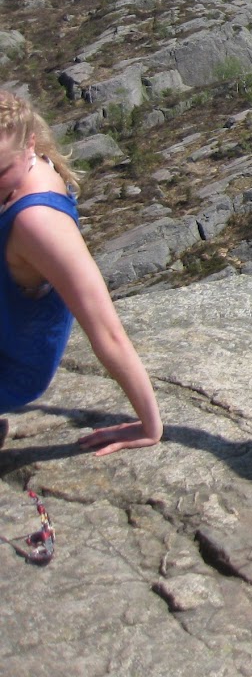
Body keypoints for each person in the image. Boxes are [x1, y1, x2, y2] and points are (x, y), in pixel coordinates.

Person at [0, 89, 162, 455]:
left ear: (30, 145)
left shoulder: (37, 223)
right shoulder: (22, 168)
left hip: (9, 365)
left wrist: (149, 426)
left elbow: (106, 329)